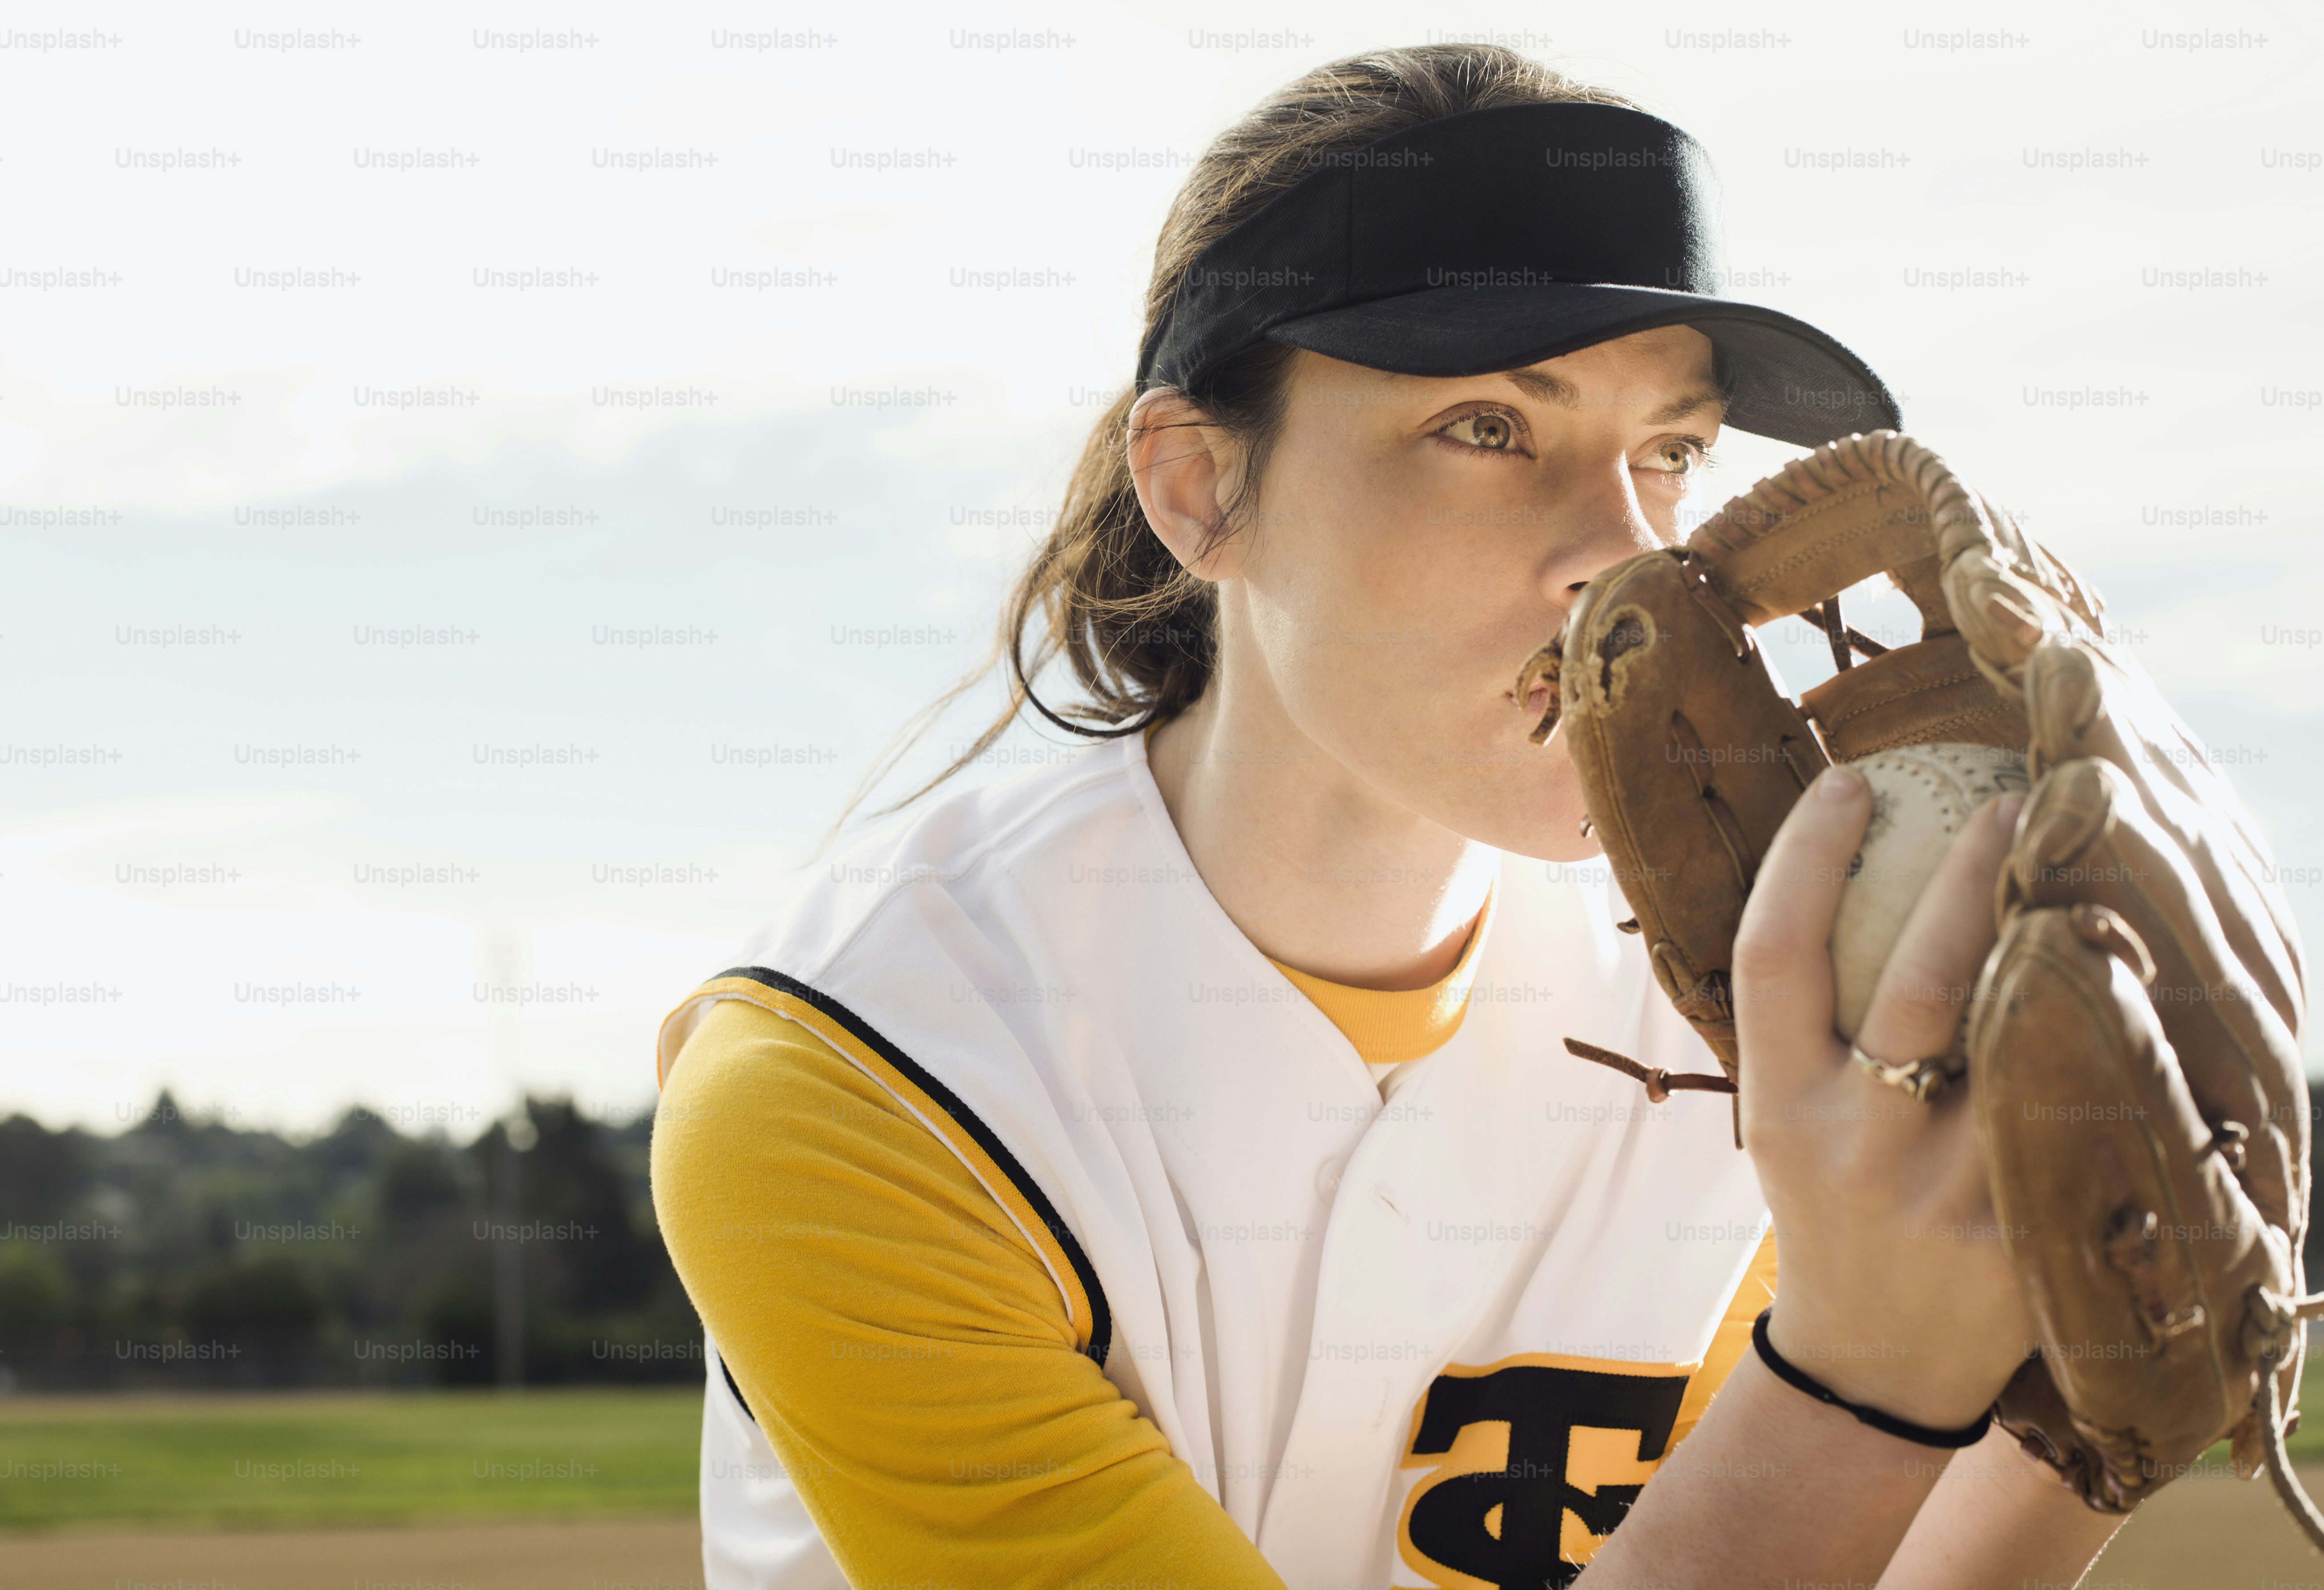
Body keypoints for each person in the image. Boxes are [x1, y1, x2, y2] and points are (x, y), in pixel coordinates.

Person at [652, 44, 2130, 1589]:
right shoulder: (864, 1070)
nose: (1621, 557)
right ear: (1195, 485)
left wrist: (2079, 1430)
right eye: (1488, 427)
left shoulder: (1770, 1004)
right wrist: (1863, 1379)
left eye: (1671, 453)